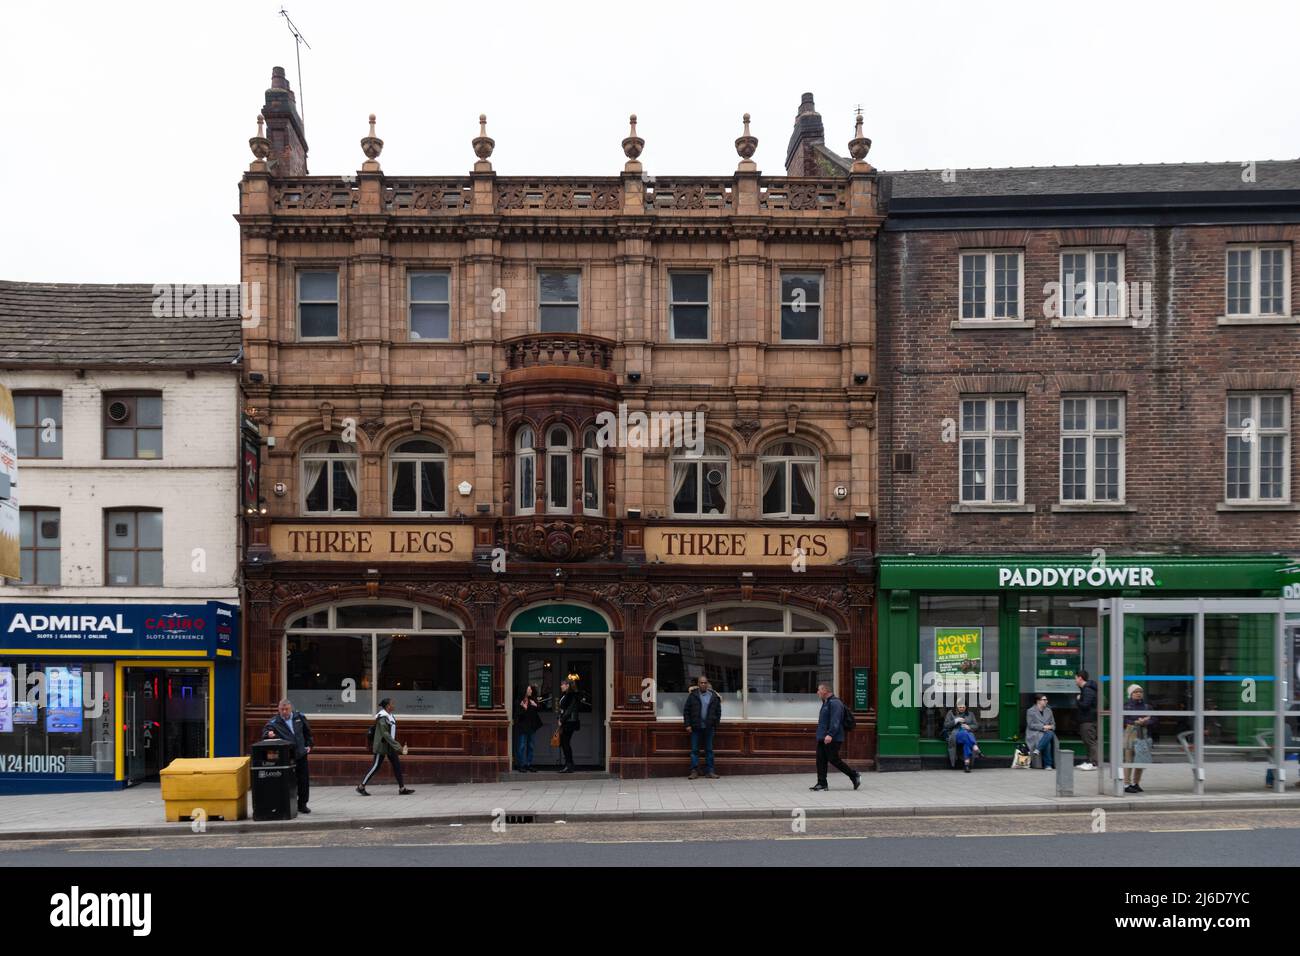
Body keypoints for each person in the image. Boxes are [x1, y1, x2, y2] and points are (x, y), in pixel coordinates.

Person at [262, 698, 314, 813]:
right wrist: (268, 734)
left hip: (301, 754)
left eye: (286, 709)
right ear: (278, 709)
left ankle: (303, 804)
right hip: (287, 756)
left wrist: (309, 744)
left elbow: (307, 733)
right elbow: (265, 732)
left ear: (291, 709)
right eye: (282, 709)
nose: (284, 712)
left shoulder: (299, 717)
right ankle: (290, 804)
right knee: (289, 781)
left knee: (303, 780)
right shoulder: (275, 722)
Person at [358, 698, 415, 795]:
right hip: (382, 745)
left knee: (397, 766)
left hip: (390, 746)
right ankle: (361, 786)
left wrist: (395, 745)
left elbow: (391, 732)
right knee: (375, 767)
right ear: (388, 706)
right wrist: (398, 746)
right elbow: (385, 734)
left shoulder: (390, 716)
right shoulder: (382, 717)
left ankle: (402, 788)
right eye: (392, 704)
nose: (394, 705)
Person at [810, 682, 861, 791]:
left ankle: (854, 775)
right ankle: (822, 783)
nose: (817, 692)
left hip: (832, 737)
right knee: (820, 760)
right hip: (823, 737)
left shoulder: (835, 703)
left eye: (819, 690)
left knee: (833, 759)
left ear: (825, 691)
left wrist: (830, 734)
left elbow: (835, 720)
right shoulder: (826, 702)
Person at [682, 674, 722, 779]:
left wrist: (715, 724)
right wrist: (688, 724)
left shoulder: (714, 696)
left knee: (709, 750)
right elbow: (686, 711)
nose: (703, 684)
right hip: (696, 727)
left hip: (709, 728)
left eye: (705, 683)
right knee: (695, 750)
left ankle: (710, 771)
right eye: (701, 682)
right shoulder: (693, 695)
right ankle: (694, 771)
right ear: (698, 684)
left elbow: (718, 712)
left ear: (707, 684)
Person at [1123, 684, 1153, 793]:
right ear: (1130, 694)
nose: (1139, 693)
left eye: (1140, 691)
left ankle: (1136, 783)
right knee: (1129, 759)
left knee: (1141, 758)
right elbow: (1123, 720)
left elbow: (1154, 719)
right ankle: (1126, 784)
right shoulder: (1126, 706)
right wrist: (1136, 722)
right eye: (1136, 692)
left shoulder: (1147, 706)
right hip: (1130, 733)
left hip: (1143, 734)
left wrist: (1146, 721)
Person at [943, 700, 982, 772]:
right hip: (955, 735)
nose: (962, 708)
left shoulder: (970, 714)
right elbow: (946, 725)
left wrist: (969, 727)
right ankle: (975, 748)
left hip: (968, 734)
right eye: (960, 707)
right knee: (966, 735)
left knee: (966, 742)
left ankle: (966, 765)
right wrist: (955, 721)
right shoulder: (951, 713)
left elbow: (976, 725)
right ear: (956, 706)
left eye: (963, 707)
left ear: (966, 707)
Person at [514, 684, 543, 773]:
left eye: (531, 690)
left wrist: (536, 705)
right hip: (522, 727)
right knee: (522, 746)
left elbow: (539, 709)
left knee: (531, 746)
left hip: (531, 727)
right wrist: (524, 708)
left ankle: (528, 764)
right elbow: (517, 714)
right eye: (529, 690)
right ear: (525, 691)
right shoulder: (519, 701)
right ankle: (521, 765)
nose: (531, 691)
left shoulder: (532, 700)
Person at [1074, 671, 1099, 770]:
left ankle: (1093, 763)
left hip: (1088, 720)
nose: (1075, 681)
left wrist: (1078, 700)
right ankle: (1089, 761)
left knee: (1090, 741)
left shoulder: (1088, 690)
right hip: (1087, 719)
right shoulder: (1086, 689)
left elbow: (1085, 705)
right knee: (1088, 741)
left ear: (1080, 678)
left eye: (1075, 678)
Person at [1025, 694, 1057, 770]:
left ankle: (1038, 749)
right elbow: (1030, 725)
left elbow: (1053, 724)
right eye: (1044, 700)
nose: (1046, 701)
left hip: (1047, 732)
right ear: (1038, 701)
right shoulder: (1030, 711)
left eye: (1046, 700)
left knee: (1049, 734)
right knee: (1048, 740)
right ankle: (1048, 764)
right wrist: (1043, 727)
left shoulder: (1048, 710)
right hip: (1034, 733)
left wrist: (1050, 727)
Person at [557, 679, 580, 773]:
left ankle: (569, 765)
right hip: (565, 722)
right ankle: (569, 764)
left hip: (569, 723)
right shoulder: (565, 695)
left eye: (562, 684)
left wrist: (562, 720)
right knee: (564, 743)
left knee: (565, 743)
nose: (561, 686)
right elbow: (562, 709)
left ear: (567, 685)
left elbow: (569, 710)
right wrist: (559, 718)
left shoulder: (572, 695)